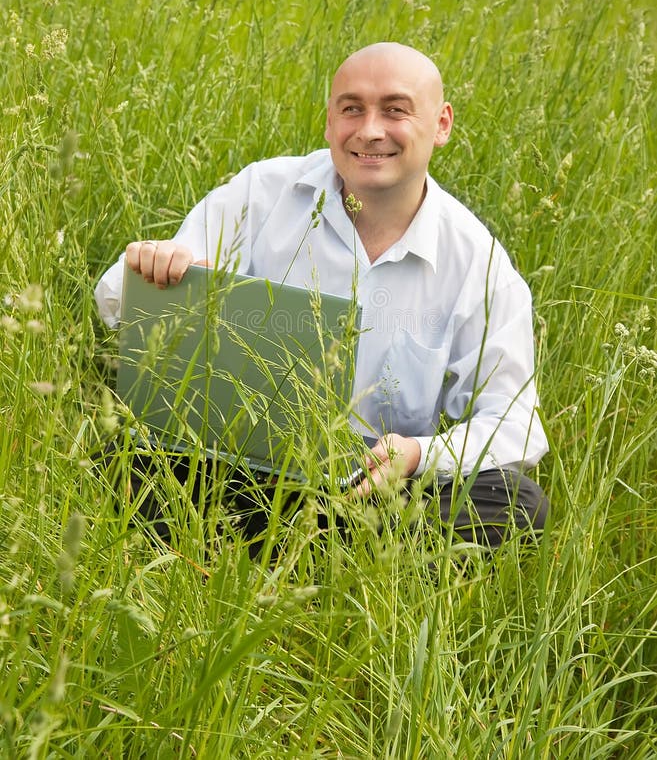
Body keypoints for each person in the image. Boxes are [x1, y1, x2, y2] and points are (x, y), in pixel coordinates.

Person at [96, 42, 549, 547]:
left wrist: (418, 454)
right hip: (234, 458)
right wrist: (158, 268)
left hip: (369, 484)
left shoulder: (478, 263)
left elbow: (515, 424)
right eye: (352, 109)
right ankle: (304, 554)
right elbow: (119, 303)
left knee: (517, 502)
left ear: (441, 124)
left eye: (395, 110)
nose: (370, 130)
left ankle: (270, 550)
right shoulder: (263, 192)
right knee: (125, 455)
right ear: (330, 122)